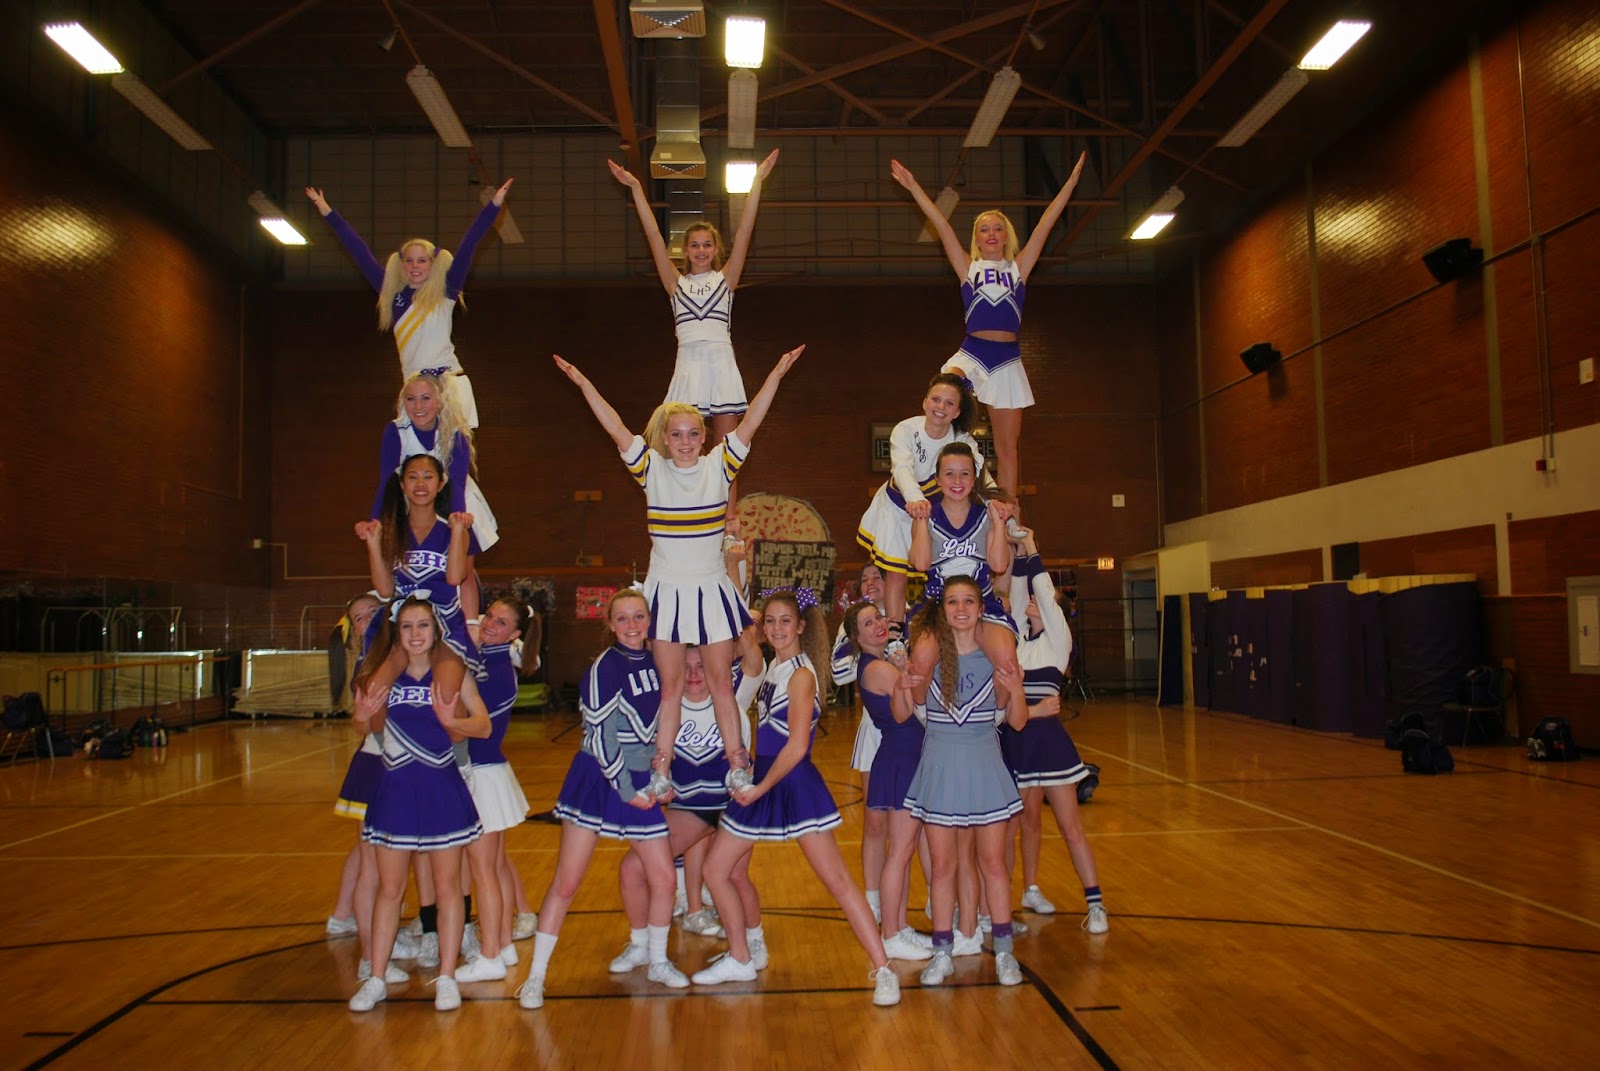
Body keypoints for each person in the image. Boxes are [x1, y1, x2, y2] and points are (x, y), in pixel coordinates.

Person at [553, 345, 804, 807]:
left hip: (711, 590)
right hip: (666, 592)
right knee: (669, 688)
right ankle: (661, 773)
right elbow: (614, 427)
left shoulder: (720, 466)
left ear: (704, 437)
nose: (686, 441)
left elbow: (750, 421)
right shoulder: (651, 471)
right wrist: (584, 384)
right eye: (677, 434)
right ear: (665, 439)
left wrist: (775, 373)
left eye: (693, 434)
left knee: (720, 686)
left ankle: (737, 768)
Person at [696, 589, 901, 1007]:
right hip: (765, 774)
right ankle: (743, 954)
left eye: (784, 621)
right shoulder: (775, 666)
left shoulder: (802, 675)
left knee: (839, 882)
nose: (775, 628)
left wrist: (758, 786)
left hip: (791, 781)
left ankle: (885, 969)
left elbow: (796, 747)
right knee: (719, 870)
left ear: (801, 626)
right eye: (769, 621)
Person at [518, 590, 688, 1010]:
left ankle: (657, 960)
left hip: (640, 779)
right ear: (610, 624)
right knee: (567, 882)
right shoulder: (602, 667)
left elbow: (662, 725)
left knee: (664, 878)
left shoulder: (659, 662)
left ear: (650, 620)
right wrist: (629, 791)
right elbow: (600, 736)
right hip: (599, 778)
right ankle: (534, 977)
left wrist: (659, 776)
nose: (632, 626)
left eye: (639, 617)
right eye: (623, 619)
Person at [889, 153, 1087, 498]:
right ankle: (926, 454)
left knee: (1008, 448)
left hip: (1007, 360)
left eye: (997, 228)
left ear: (1006, 235)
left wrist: (1069, 185)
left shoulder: (1019, 268)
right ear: (977, 239)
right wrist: (914, 188)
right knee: (946, 387)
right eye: (984, 229)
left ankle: (1010, 515)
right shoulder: (968, 268)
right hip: (973, 352)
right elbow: (943, 226)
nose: (991, 233)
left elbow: (1044, 226)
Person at [347, 596, 493, 1012]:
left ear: (435, 631)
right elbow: (363, 725)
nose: (415, 634)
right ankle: (375, 977)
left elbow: (482, 725)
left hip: (440, 787)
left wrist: (452, 722)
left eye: (422, 626)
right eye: (407, 627)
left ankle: (446, 977)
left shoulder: (453, 674)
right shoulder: (384, 677)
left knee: (448, 888)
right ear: (398, 632)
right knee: (390, 890)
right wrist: (360, 715)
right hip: (395, 789)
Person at [901, 575, 1030, 988]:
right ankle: (942, 953)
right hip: (939, 769)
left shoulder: (998, 661)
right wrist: (905, 685)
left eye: (968, 601)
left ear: (980, 608)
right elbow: (911, 714)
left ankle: (1005, 953)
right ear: (943, 609)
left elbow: (1017, 722)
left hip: (985, 770)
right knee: (942, 867)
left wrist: (1017, 690)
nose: (960, 608)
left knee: (993, 864)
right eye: (953, 601)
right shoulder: (928, 659)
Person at [607, 149, 779, 449]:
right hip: (688, 364)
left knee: (729, 450)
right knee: (683, 446)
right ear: (686, 251)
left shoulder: (725, 281)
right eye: (695, 245)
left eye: (707, 245)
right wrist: (635, 187)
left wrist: (757, 182)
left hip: (721, 362)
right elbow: (653, 238)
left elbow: (744, 232)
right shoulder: (676, 284)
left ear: (716, 250)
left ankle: (728, 500)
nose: (701, 250)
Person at [305, 180, 512, 428]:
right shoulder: (394, 296)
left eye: (422, 261)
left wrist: (493, 207)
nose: (415, 266)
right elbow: (359, 252)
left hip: (448, 384)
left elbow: (468, 247)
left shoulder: (445, 291)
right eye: (410, 261)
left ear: (432, 265)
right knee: (414, 460)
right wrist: (329, 214)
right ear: (401, 265)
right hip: (415, 391)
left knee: (453, 458)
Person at [613, 632, 766, 963]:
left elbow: (742, 769)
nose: (695, 674)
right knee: (632, 869)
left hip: (731, 809)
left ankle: (755, 946)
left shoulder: (730, 708)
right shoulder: (664, 709)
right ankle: (640, 945)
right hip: (691, 810)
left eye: (701, 666)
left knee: (735, 876)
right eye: (687, 667)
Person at [1000, 526, 1108, 935]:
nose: (1030, 602)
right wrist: (1013, 549)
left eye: (1040, 602)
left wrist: (1031, 546)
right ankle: (1017, 898)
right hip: (1015, 743)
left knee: (1070, 826)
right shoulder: (1015, 641)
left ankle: (1095, 904)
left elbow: (1042, 590)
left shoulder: (1058, 642)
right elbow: (1018, 591)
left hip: (1050, 747)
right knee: (1020, 825)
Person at [856, 373, 988, 624]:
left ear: (958, 411)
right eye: (936, 399)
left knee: (939, 570)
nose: (941, 407)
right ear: (925, 402)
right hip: (898, 508)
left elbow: (979, 475)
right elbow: (902, 468)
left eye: (949, 403)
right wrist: (916, 500)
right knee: (895, 574)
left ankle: (945, 624)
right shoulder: (905, 429)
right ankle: (895, 633)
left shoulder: (963, 440)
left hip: (932, 514)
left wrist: (997, 505)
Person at [452, 597, 538, 984]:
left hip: (483, 773)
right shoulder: (484, 657)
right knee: (496, 867)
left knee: (483, 870)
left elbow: (473, 723)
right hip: (487, 771)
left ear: (516, 634)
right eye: (490, 616)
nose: (490, 624)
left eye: (502, 623)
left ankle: (488, 955)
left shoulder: (499, 669)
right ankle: (502, 946)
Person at [842, 601, 933, 962]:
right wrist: (910, 668)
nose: (879, 624)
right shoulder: (877, 668)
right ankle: (891, 933)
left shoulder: (881, 664)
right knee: (900, 852)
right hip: (900, 757)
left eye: (878, 617)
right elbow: (918, 701)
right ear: (856, 636)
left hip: (905, 756)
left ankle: (900, 925)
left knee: (904, 850)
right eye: (868, 623)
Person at [354, 455, 479, 706]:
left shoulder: (455, 529)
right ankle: (380, 745)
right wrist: (373, 545)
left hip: (444, 624)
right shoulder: (390, 533)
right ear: (402, 485)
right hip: (404, 625)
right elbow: (385, 589)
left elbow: (455, 577)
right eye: (412, 477)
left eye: (428, 477)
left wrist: (457, 532)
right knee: (373, 695)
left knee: (446, 699)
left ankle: (458, 745)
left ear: (441, 484)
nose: (420, 484)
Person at [907, 442, 1018, 678]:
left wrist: (998, 522)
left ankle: (1001, 715)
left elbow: (999, 565)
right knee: (921, 659)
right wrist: (921, 522)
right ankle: (921, 714)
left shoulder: (986, 516)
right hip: (937, 605)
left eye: (964, 474)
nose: (957, 482)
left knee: (1007, 658)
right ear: (937, 479)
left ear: (974, 477)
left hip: (982, 604)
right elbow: (921, 564)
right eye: (949, 474)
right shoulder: (926, 516)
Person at [371, 372, 498, 553]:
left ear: (439, 402)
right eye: (411, 399)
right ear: (403, 403)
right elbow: (386, 480)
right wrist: (376, 520)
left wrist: (457, 518)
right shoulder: (396, 431)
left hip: (456, 500)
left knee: (463, 572)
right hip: (415, 507)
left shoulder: (456, 432)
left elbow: (457, 482)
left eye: (426, 398)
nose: (418, 406)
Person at [831, 564, 891, 922]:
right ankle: (872, 900)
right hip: (877, 730)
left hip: (918, 731)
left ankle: (934, 897)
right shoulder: (852, 623)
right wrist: (858, 636)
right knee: (876, 823)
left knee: (924, 825)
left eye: (876, 578)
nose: (870, 584)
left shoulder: (910, 617)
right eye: (864, 579)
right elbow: (838, 672)